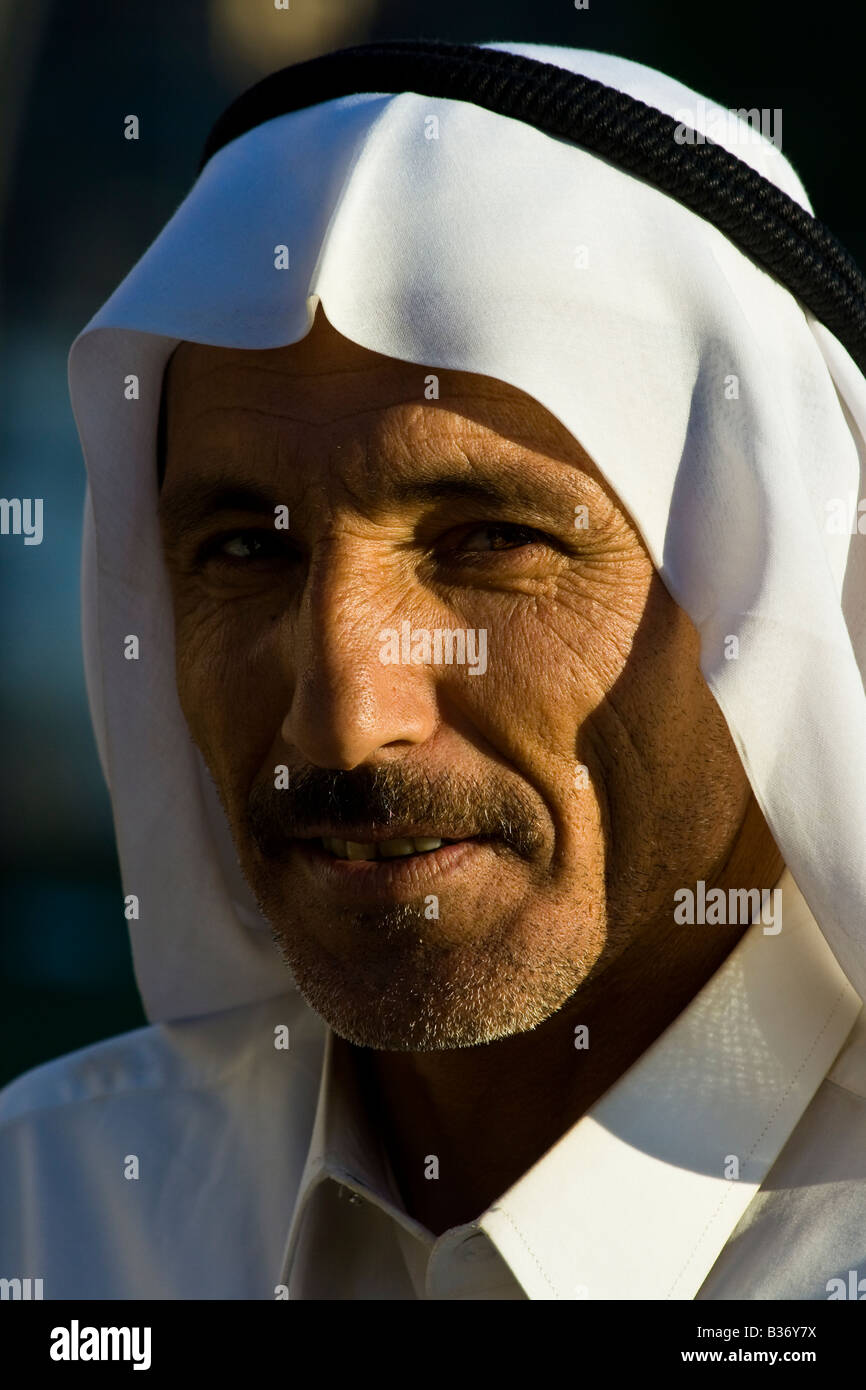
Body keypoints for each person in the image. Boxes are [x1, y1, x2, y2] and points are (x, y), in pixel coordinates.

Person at [1, 37, 865, 1301]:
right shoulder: (53, 1221)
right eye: (244, 549)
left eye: (490, 543)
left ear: (761, 582)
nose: (343, 720)